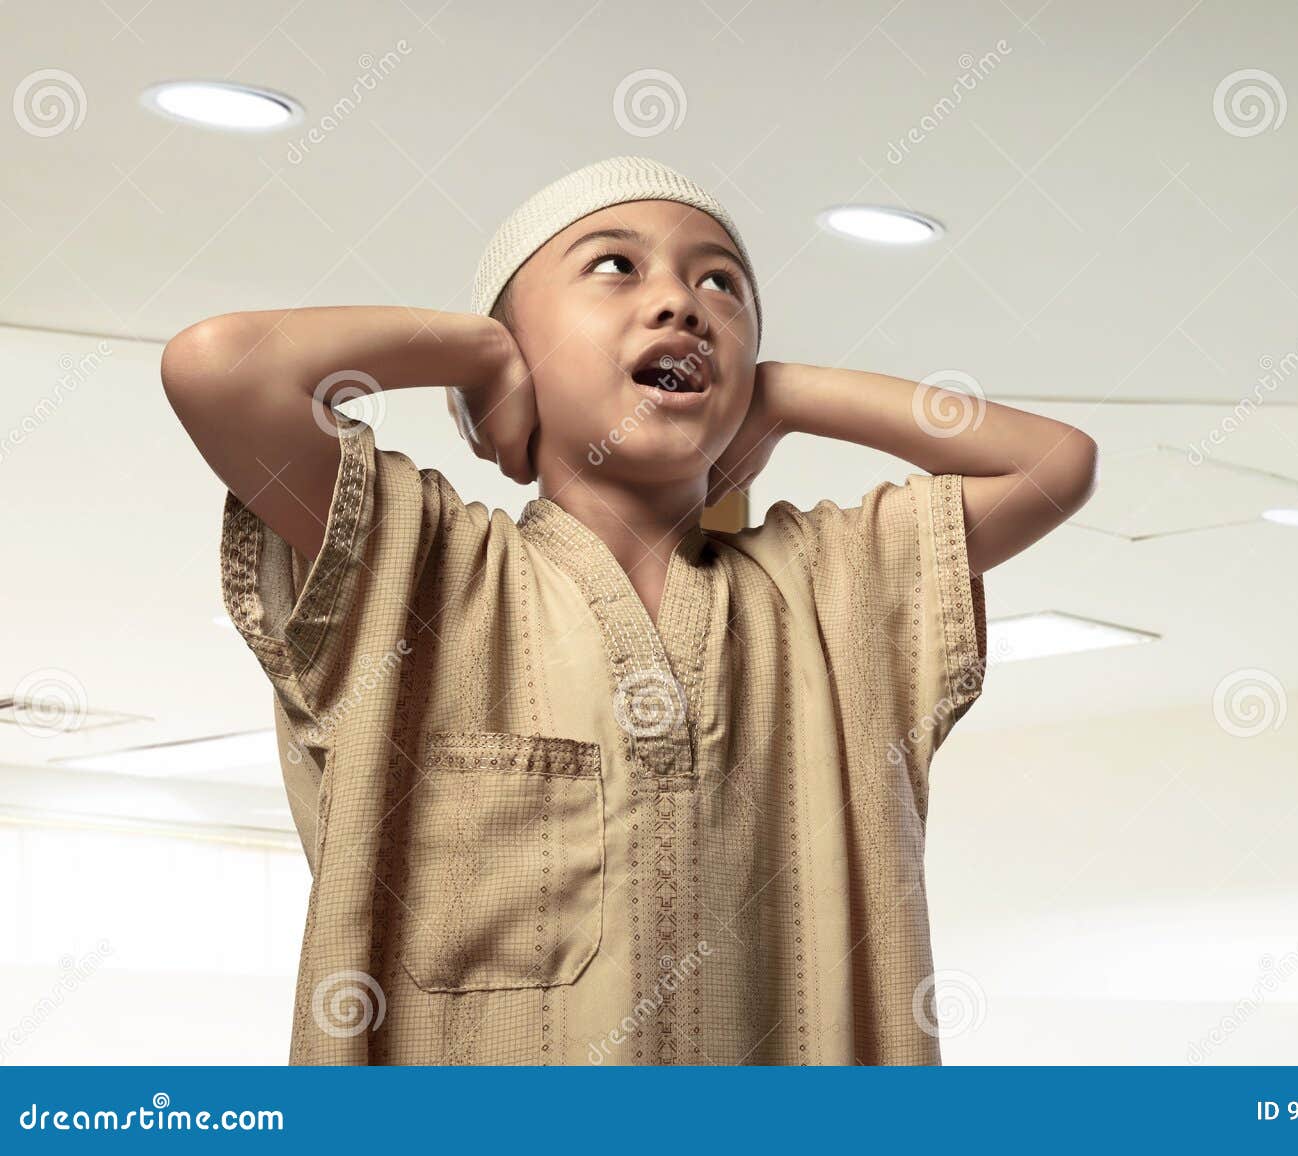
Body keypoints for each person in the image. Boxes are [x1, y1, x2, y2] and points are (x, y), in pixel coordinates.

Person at [160, 154, 1098, 1065]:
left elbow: (1054, 464)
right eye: (615, 267)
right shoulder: (420, 569)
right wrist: (477, 351)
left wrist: (781, 397)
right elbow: (218, 368)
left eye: (724, 286)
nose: (684, 302)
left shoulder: (826, 592)